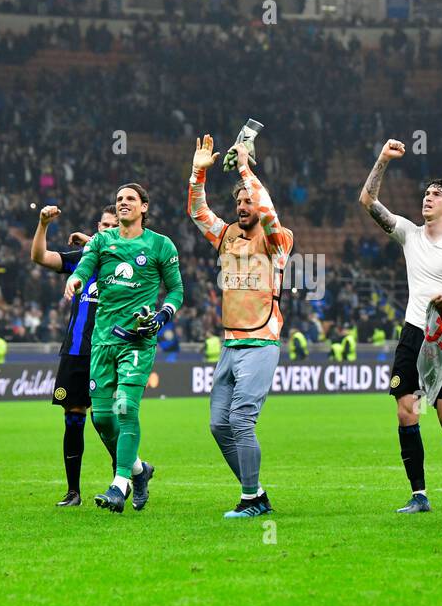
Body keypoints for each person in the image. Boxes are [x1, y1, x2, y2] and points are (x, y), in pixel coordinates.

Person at [359, 138, 442, 513]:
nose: (428, 198)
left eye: (436, 194)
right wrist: (381, 159)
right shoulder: (409, 234)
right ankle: (419, 495)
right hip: (414, 332)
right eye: (426, 193)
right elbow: (368, 202)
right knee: (406, 411)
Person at [189, 135, 293, 518]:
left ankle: (250, 499)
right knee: (219, 426)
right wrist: (199, 171)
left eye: (247, 200)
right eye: (238, 201)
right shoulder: (227, 234)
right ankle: (258, 492)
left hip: (261, 342)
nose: (242, 206)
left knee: (241, 421)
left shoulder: (278, 240)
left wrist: (247, 168)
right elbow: (198, 212)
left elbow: (268, 210)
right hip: (230, 345)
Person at [65, 183, 183, 513]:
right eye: (118, 200)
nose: (123, 204)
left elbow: (176, 291)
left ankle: (120, 485)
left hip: (137, 341)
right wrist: (74, 279)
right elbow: (85, 266)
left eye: (130, 199)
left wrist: (161, 316)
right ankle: (138, 470)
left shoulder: (160, 245)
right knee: (101, 418)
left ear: (144, 206)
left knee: (125, 408)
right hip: (103, 341)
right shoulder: (102, 241)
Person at [31, 202, 144, 507]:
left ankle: (122, 480)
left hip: (111, 349)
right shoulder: (84, 260)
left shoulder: (130, 262)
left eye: (114, 227)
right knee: (73, 418)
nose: (109, 231)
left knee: (108, 418)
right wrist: (43, 224)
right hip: (77, 350)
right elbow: (40, 257)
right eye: (104, 227)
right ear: (98, 228)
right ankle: (73, 491)